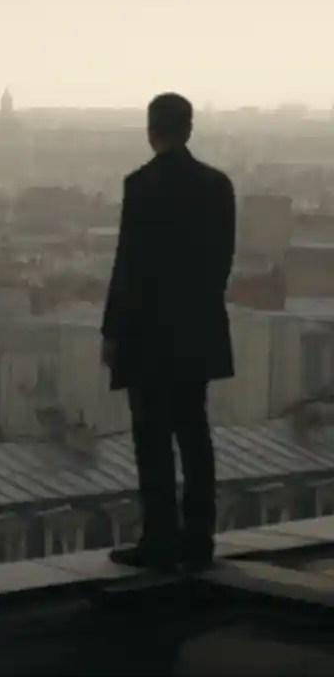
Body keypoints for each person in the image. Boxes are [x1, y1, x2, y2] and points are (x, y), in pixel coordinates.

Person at [101, 93, 236, 573]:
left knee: (152, 437)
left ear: (150, 130)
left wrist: (113, 332)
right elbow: (222, 261)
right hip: (196, 328)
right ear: (190, 128)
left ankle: (159, 538)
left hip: (149, 332)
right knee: (194, 432)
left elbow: (129, 264)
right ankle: (199, 537)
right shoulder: (218, 185)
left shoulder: (142, 185)